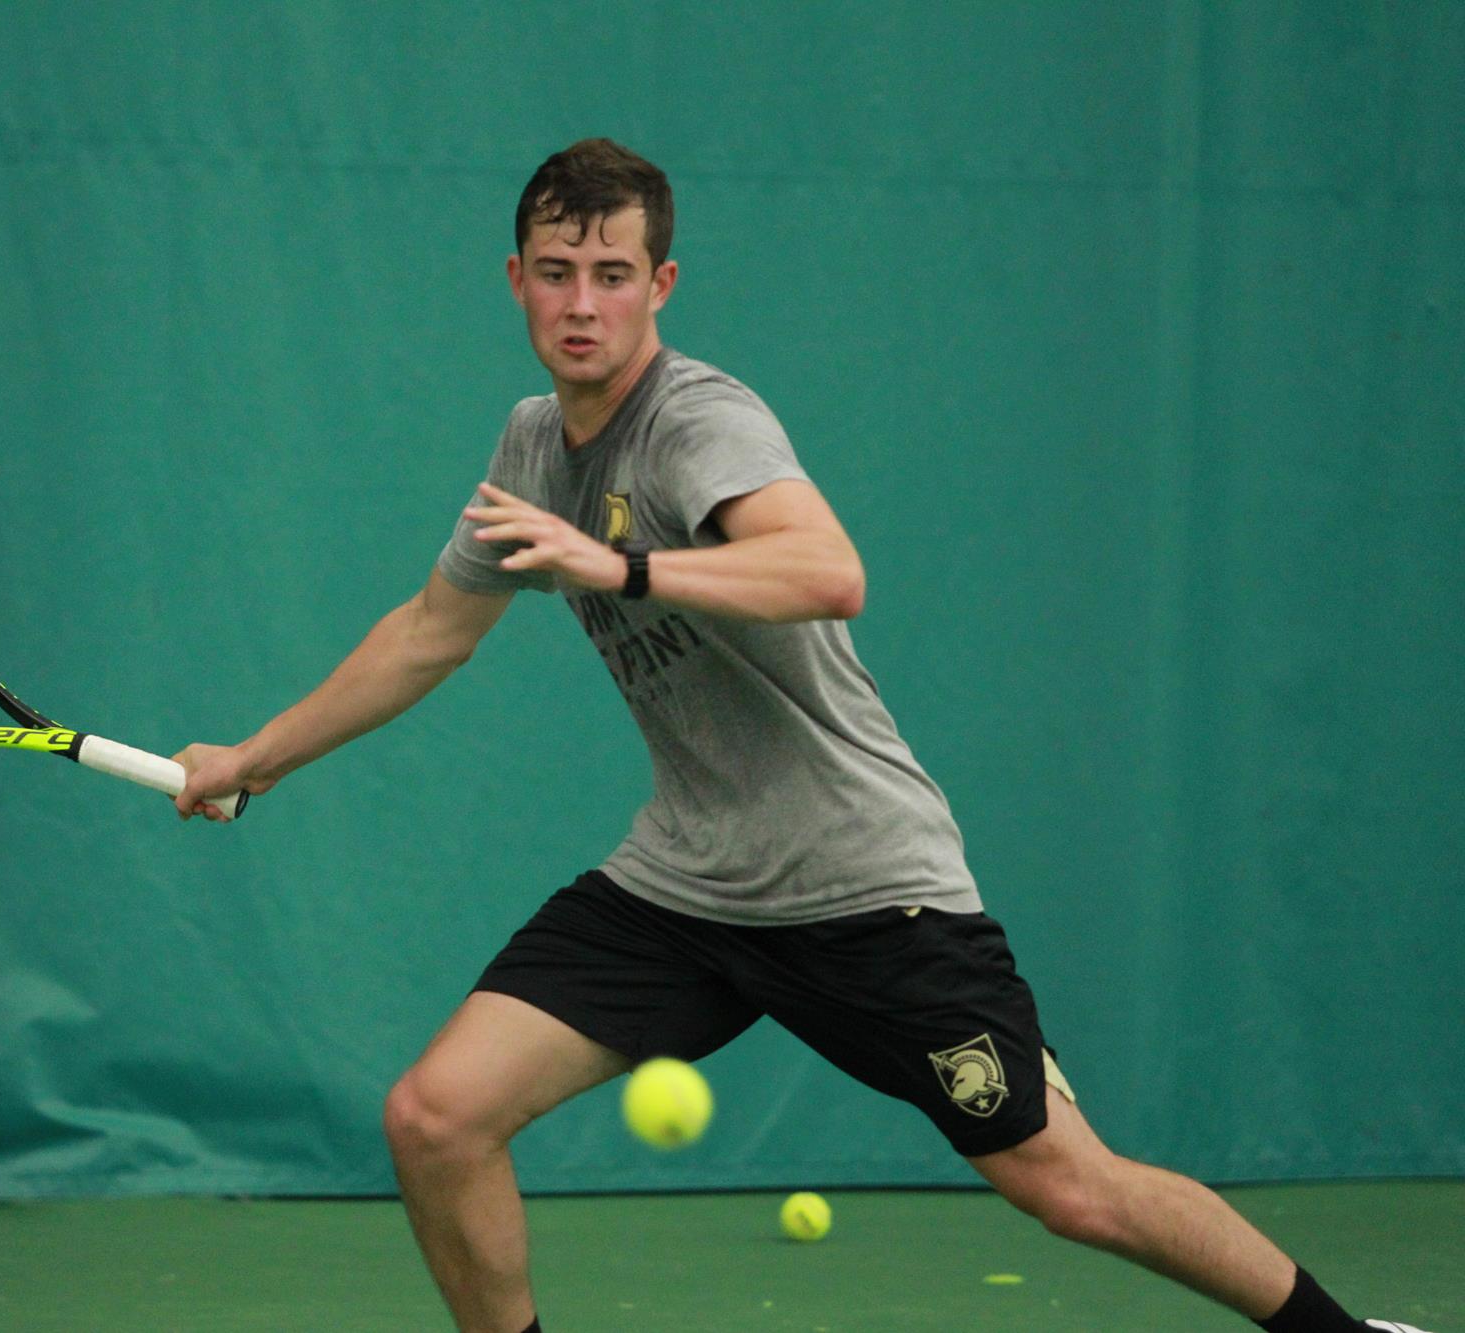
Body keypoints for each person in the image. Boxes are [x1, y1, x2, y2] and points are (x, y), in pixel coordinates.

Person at [172, 138, 1431, 1333]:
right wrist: (251, 758)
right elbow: (428, 632)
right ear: (515, 280)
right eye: (555, 272)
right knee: (435, 1117)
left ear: (660, 284)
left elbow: (828, 571)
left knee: (1070, 1187)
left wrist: (620, 565)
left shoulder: (697, 420)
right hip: (686, 884)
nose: (580, 302)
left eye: (611, 273)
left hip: (863, 887)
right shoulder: (531, 443)